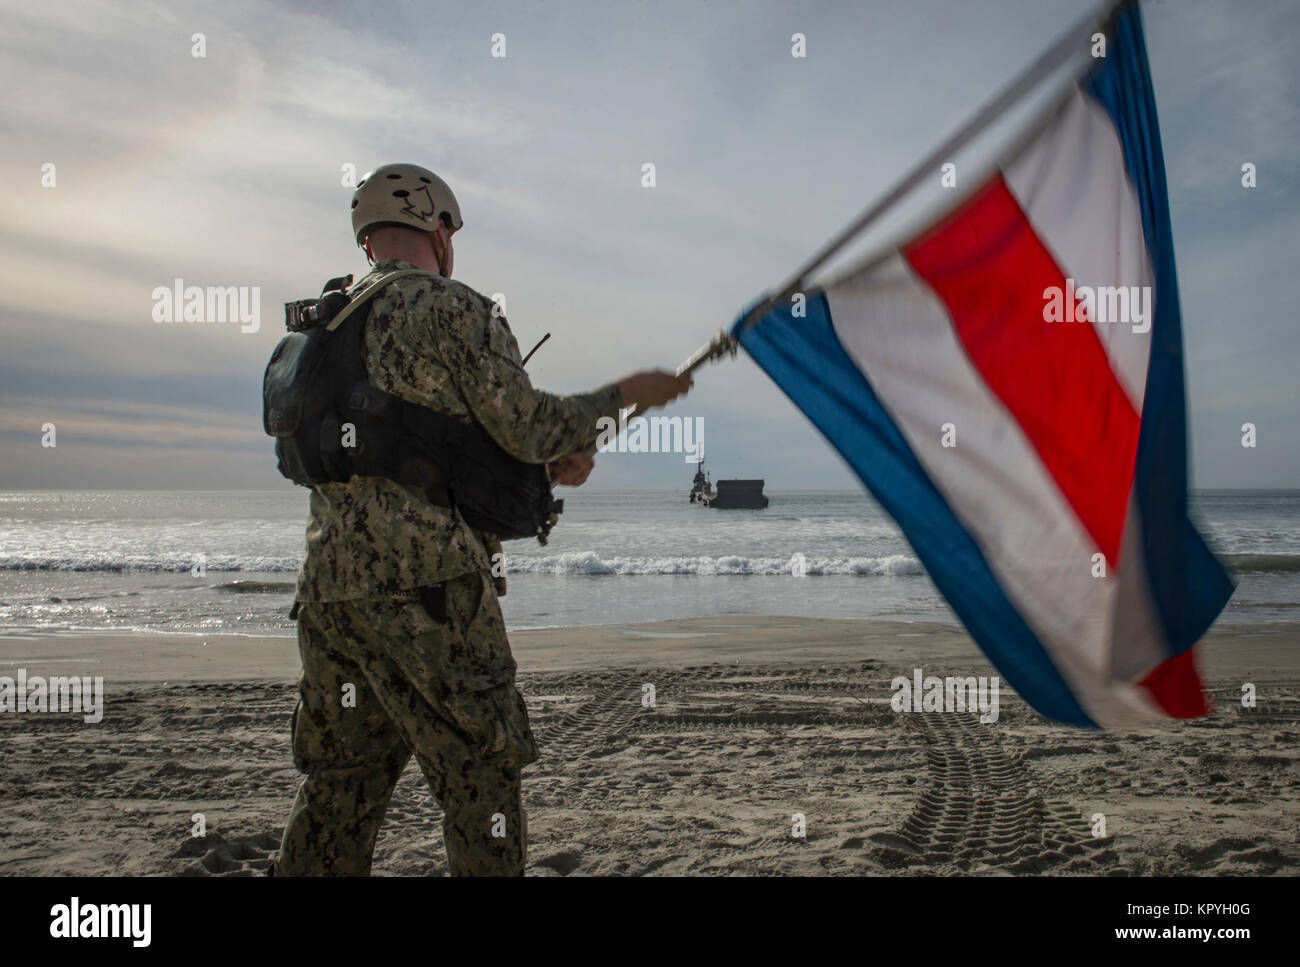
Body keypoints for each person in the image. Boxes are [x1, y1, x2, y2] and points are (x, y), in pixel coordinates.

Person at [274, 162, 690, 876]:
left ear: (368, 240)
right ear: (439, 229)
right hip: (429, 588)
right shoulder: (455, 309)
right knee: (482, 773)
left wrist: (540, 465)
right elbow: (528, 425)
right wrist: (626, 393)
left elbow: (424, 446)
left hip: (328, 595)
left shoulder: (329, 319)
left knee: (343, 780)